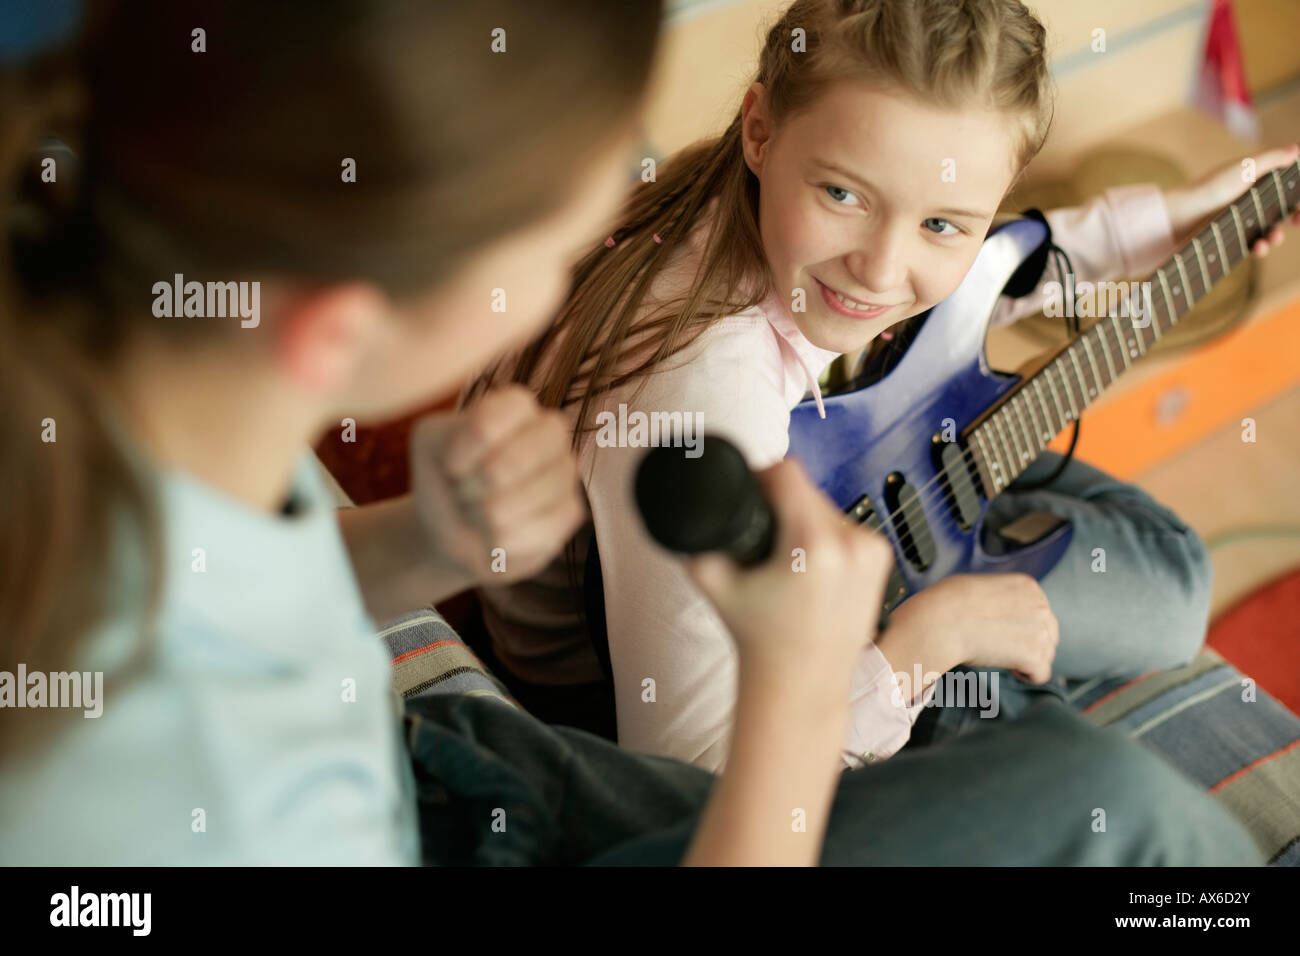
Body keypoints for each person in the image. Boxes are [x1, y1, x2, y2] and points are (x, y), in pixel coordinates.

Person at [0, 0, 1266, 867]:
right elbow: (706, 767)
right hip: (646, 757)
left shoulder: (159, 423)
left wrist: (424, 546)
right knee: (1111, 792)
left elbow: (216, 580)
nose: (585, 283)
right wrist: (837, 671)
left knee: (1120, 634)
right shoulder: (224, 796)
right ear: (343, 331)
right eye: (557, 248)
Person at [471, 0, 1300, 772]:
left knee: (1170, 572)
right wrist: (928, 642)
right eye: (844, 194)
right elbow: (699, 768)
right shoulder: (704, 395)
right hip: (636, 691)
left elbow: (990, 269)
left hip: (839, 470)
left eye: (943, 222)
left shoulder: (745, 200)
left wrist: (1170, 224)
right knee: (1170, 593)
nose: (879, 269)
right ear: (760, 129)